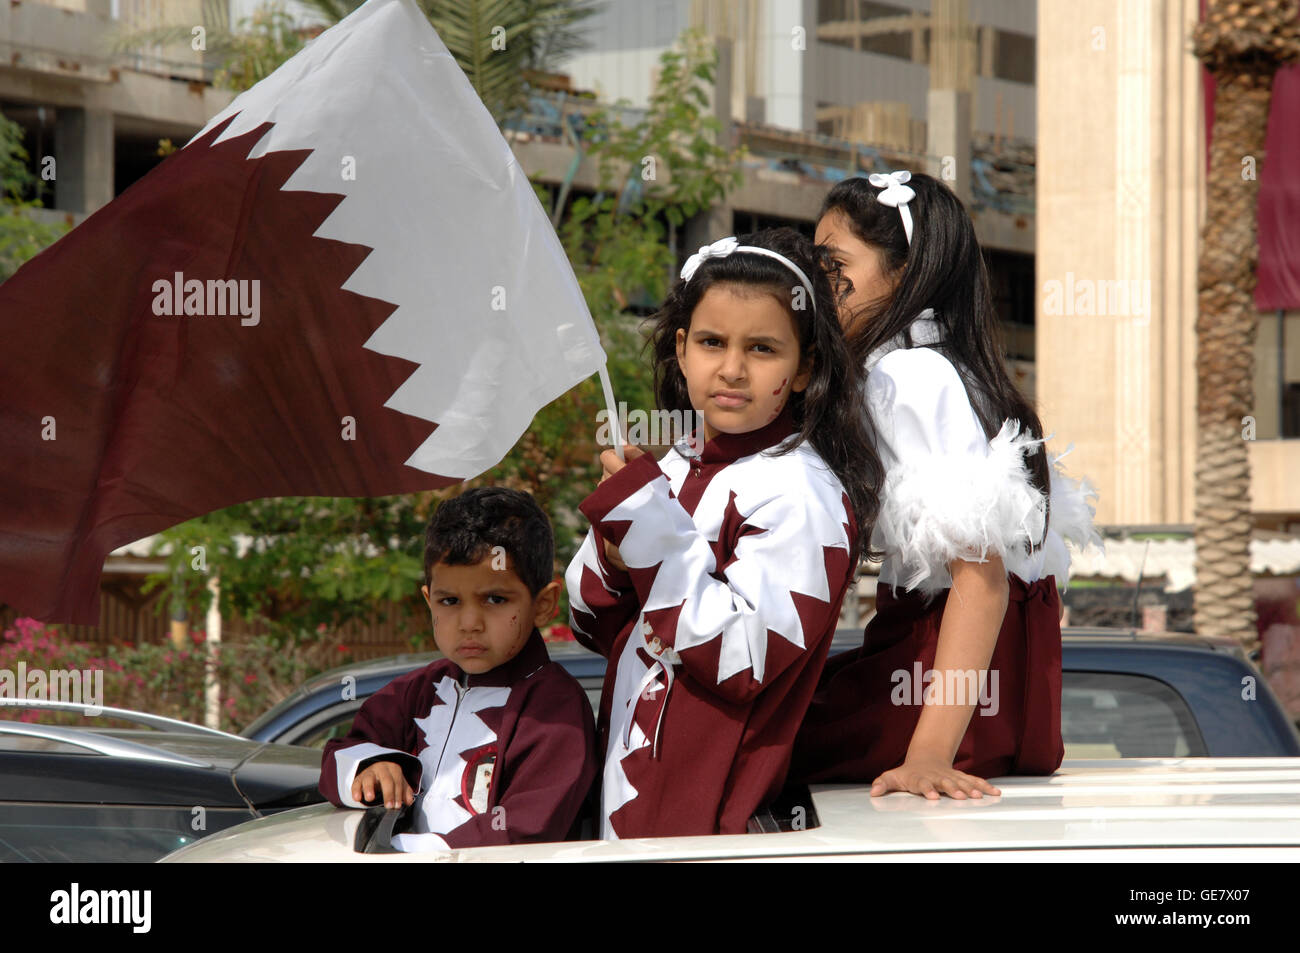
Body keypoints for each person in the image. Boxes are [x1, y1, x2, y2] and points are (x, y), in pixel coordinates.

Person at [791, 171, 1100, 799]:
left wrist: (929, 754)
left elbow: (981, 577)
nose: (817, 287)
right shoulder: (955, 369)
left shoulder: (908, 374)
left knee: (752, 750)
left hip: (939, 688)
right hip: (987, 696)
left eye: (834, 265)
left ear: (905, 275)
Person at [566, 227, 883, 838]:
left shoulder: (805, 493)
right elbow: (592, 624)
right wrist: (615, 554)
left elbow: (741, 660)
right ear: (682, 350)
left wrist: (647, 532)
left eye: (763, 349)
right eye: (712, 342)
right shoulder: (668, 464)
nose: (732, 369)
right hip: (625, 814)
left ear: (803, 368)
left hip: (714, 829)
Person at [319, 487, 597, 850]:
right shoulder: (415, 692)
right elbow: (338, 757)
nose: (469, 622)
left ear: (543, 605)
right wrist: (369, 767)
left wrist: (402, 854)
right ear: (428, 601)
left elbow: (527, 832)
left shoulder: (555, 710)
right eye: (449, 601)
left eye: (495, 599)